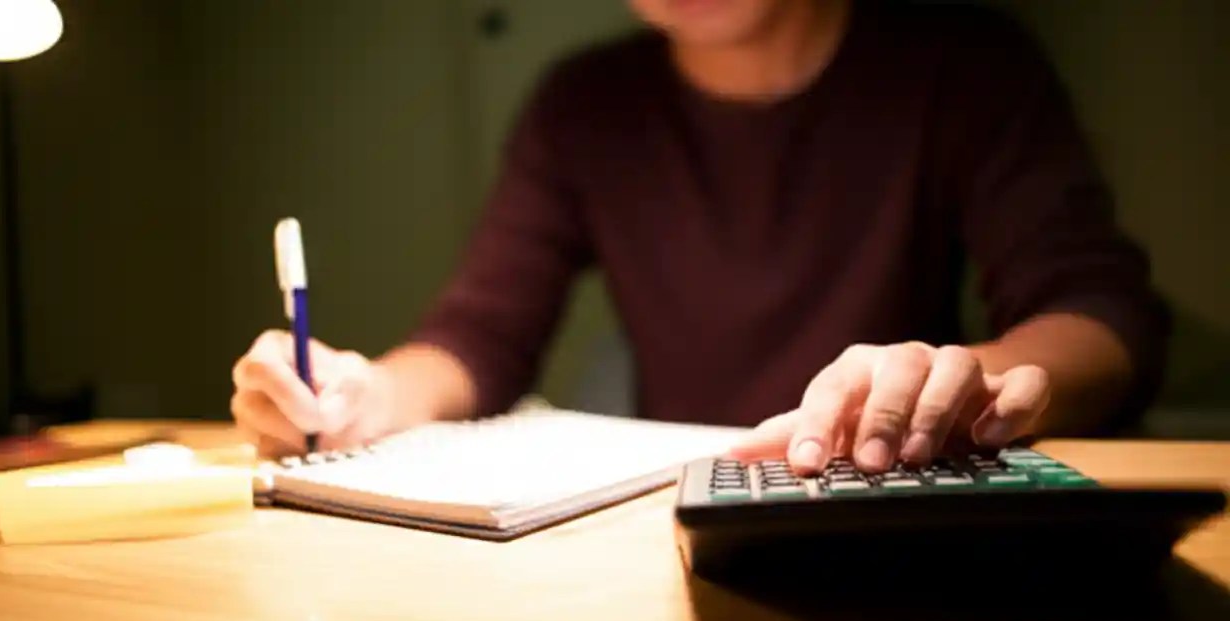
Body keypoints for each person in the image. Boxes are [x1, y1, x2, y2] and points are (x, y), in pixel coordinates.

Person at [230, 0, 1167, 474]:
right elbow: (482, 334)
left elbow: (1094, 310)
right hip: (678, 516)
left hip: (887, 496)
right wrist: (366, 398)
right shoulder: (584, 106)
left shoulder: (962, 63)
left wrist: (960, 385)